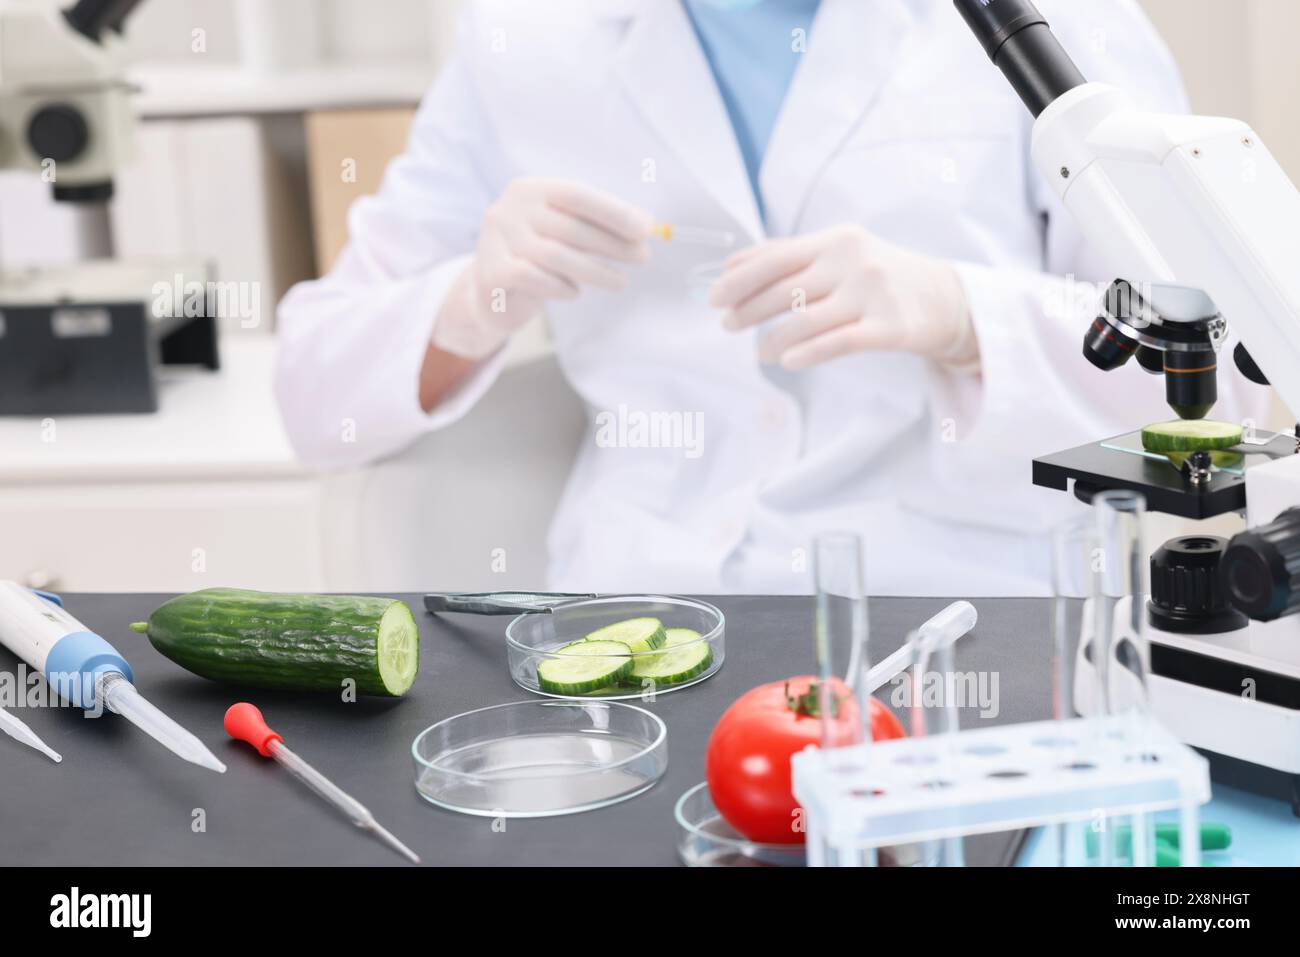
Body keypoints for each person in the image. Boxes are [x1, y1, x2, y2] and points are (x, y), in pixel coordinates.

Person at [275, 0, 1267, 596]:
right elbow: (316, 403)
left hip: (961, 618)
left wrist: (965, 316)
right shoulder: (526, 33)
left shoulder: (1060, 21)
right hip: (641, 621)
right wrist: (472, 298)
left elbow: (1227, 385)